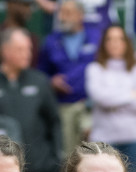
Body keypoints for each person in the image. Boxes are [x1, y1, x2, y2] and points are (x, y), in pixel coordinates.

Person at [0, 27, 63, 172]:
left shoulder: (40, 81)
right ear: (5, 51)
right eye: (21, 49)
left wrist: (55, 156)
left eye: (29, 49)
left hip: (43, 166)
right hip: (6, 168)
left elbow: (54, 121)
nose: (27, 54)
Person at [85, 25, 136, 172]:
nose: (115, 43)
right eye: (110, 39)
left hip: (134, 138)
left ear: (126, 43)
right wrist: (131, 95)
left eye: (120, 39)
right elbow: (100, 98)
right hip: (104, 139)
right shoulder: (95, 69)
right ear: (104, 43)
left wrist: (113, 100)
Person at [38, 0, 100, 158]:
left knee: (95, 151)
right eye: (60, 13)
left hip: (92, 106)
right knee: (69, 157)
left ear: (81, 15)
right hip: (64, 106)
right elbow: (41, 73)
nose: (63, 17)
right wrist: (51, 81)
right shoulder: (51, 41)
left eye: (68, 13)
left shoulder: (96, 36)